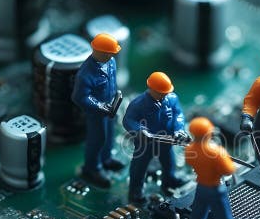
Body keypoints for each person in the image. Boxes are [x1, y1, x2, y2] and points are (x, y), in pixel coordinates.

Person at [183, 117, 248, 219]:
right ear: (209, 133)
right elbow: (228, 169)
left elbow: (189, 163)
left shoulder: (190, 149)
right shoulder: (216, 151)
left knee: (197, 216)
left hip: (201, 187)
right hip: (215, 188)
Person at [122, 72, 187, 205]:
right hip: (146, 142)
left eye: (166, 92)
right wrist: (140, 131)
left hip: (167, 139)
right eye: (161, 92)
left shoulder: (172, 98)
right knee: (139, 167)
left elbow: (178, 114)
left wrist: (179, 130)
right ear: (151, 89)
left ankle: (169, 181)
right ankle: (135, 191)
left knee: (169, 162)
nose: (164, 95)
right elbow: (128, 120)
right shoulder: (138, 103)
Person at [71, 33, 125, 188]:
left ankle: (106, 159)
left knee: (110, 135)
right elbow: (80, 97)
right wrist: (99, 106)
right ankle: (92, 168)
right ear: (99, 52)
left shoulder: (111, 62)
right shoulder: (86, 73)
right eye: (109, 53)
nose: (112, 55)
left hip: (110, 108)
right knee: (97, 139)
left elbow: (113, 83)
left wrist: (115, 101)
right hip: (96, 113)